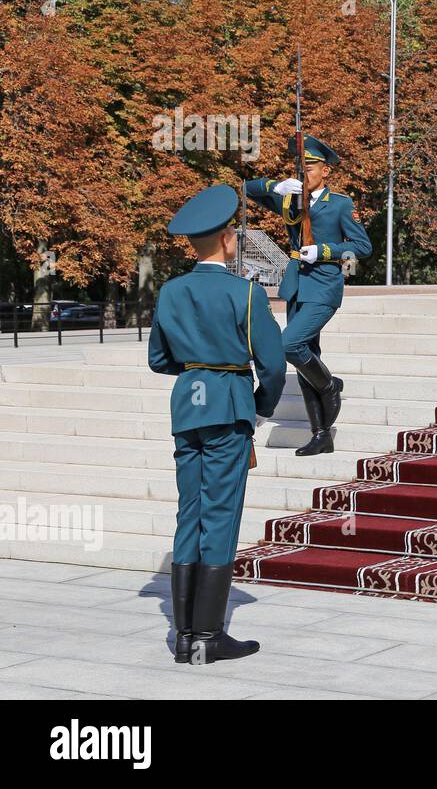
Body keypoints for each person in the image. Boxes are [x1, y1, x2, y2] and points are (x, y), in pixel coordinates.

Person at [149, 185, 286, 664]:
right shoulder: (245, 293)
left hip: (187, 408)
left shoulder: (170, 290)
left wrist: (197, 368)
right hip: (229, 408)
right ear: (228, 239)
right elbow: (272, 365)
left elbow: (158, 359)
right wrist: (260, 407)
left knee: (191, 512)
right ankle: (208, 637)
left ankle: (184, 637)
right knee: (221, 516)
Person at [245, 136, 371, 455]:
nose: (305, 171)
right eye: (301, 166)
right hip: (297, 286)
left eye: (311, 166)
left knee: (289, 344)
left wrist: (326, 251)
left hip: (324, 286)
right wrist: (275, 186)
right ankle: (321, 434)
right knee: (306, 357)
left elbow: (362, 246)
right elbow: (245, 188)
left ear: (325, 171)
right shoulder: (291, 200)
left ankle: (329, 386)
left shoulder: (340, 203)